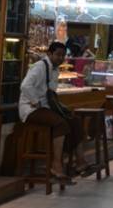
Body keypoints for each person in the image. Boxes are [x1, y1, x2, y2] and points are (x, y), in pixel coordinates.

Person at [19, 41, 87, 182]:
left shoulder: (55, 70)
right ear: (49, 54)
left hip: (46, 108)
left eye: (63, 55)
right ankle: (56, 165)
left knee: (74, 121)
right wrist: (35, 101)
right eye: (57, 55)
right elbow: (25, 85)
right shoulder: (39, 67)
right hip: (31, 110)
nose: (60, 58)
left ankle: (80, 162)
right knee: (60, 124)